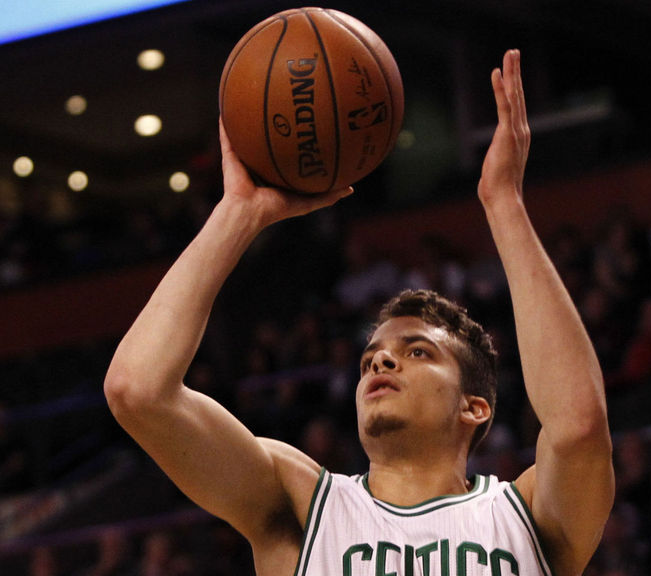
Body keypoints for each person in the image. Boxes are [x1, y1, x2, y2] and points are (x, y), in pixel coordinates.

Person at [104, 50, 614, 576]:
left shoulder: (525, 515)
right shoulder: (299, 507)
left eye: (418, 351)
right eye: (372, 357)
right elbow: (137, 391)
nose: (381, 364)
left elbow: (578, 425)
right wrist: (238, 215)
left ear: (474, 408)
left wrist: (503, 201)